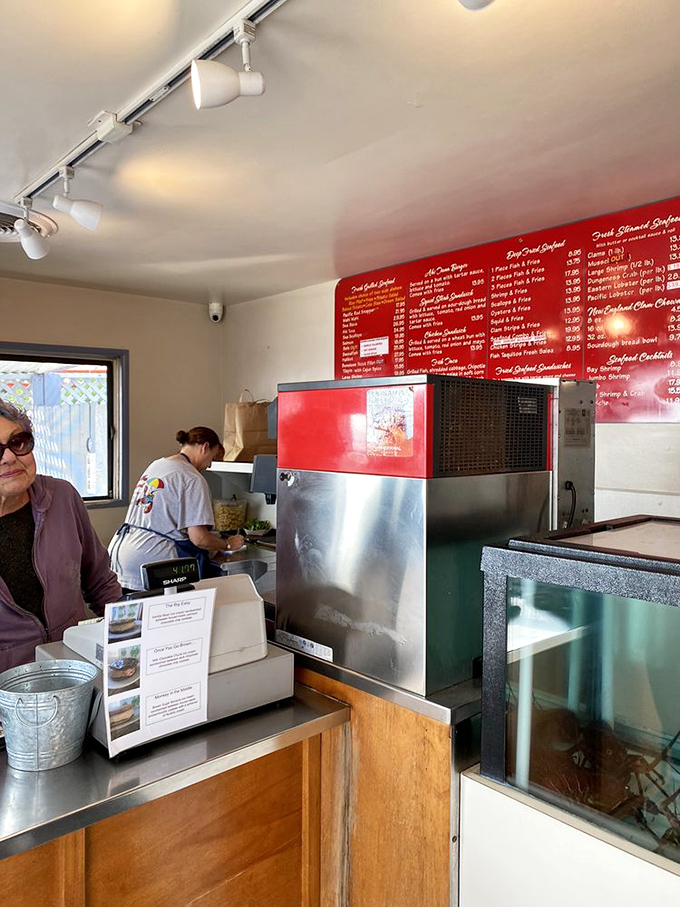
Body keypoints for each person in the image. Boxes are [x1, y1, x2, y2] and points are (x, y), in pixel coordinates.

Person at [0, 400, 122, 671]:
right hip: (8, 689)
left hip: (74, 670)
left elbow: (100, 581)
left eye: (17, 442)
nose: (9, 457)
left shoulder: (62, 496)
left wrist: (125, 636)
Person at [109, 426, 244, 591]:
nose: (209, 465)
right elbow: (199, 539)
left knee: (136, 616)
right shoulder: (192, 478)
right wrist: (227, 544)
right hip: (153, 561)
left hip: (122, 555)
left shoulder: (158, 465)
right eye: (212, 458)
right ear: (205, 447)